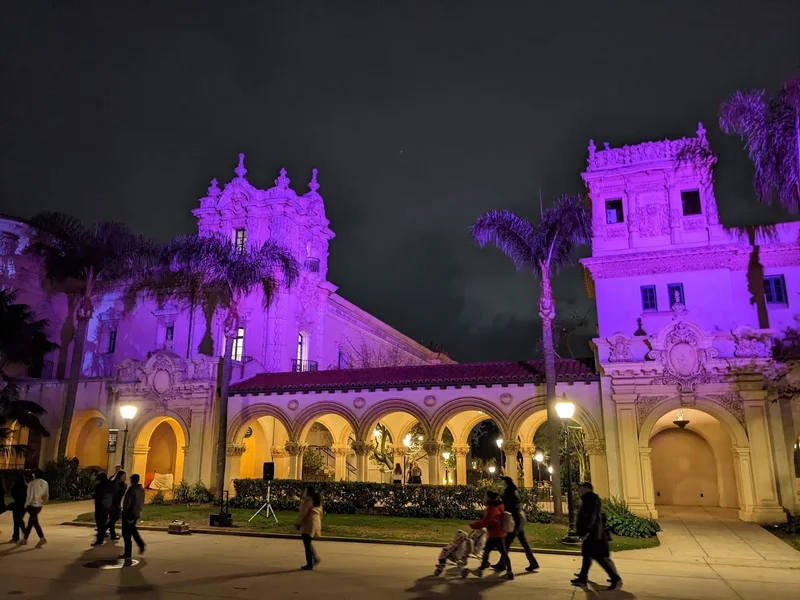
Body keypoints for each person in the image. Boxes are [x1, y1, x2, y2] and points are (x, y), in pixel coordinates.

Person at [571, 482, 621, 590]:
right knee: (587, 556)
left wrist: (586, 532)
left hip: (593, 534)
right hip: (593, 533)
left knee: (598, 557)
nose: (579, 490)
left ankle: (615, 578)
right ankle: (582, 578)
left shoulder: (590, 501)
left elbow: (591, 518)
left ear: (586, 489)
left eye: (581, 488)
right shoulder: (589, 500)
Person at [492, 476, 539, 573]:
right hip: (520, 518)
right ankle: (533, 563)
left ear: (506, 483)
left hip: (515, 520)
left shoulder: (509, 492)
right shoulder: (514, 490)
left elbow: (506, 505)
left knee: (507, 542)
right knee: (523, 542)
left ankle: (502, 564)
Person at [470, 491, 513, 580]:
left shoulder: (491, 508)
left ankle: (509, 572)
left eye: (486, 496)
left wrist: (474, 525)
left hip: (495, 534)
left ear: (489, 498)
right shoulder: (499, 505)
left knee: (497, 552)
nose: (485, 498)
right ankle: (481, 569)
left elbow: (486, 521)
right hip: (499, 532)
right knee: (491, 552)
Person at [18, 469, 48, 547]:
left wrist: (26, 505)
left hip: (32, 505)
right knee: (32, 521)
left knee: (33, 521)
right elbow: (46, 495)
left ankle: (41, 538)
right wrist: (43, 502)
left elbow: (29, 496)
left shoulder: (32, 483)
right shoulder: (45, 483)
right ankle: (25, 538)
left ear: (35, 475)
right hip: (39, 505)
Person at [119, 473, 145, 559]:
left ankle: (128, 552)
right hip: (136, 512)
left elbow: (127, 502)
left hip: (129, 513)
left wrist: (124, 511)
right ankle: (140, 544)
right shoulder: (141, 489)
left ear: (132, 480)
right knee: (132, 529)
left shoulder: (131, 489)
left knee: (126, 533)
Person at [296, 485, 322, 570]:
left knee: (306, 544)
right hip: (316, 521)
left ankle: (310, 563)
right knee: (308, 542)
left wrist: (299, 523)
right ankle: (314, 558)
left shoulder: (307, 500)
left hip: (308, 523)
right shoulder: (317, 501)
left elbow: (304, 512)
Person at [91, 473, 115, 546]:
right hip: (108, 506)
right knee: (103, 521)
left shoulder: (100, 486)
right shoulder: (111, 485)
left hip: (100, 506)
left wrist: (93, 495)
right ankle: (102, 535)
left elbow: (97, 496)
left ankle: (100, 539)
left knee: (99, 523)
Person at [8, 471, 29, 543]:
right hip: (24, 506)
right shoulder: (26, 487)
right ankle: (23, 535)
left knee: (17, 521)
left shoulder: (15, 488)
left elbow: (13, 494)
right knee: (19, 520)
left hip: (17, 505)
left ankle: (17, 536)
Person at [107, 470, 127, 540]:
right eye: (123, 476)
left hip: (117, 503)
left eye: (125, 476)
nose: (124, 477)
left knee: (116, 517)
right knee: (112, 519)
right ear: (119, 476)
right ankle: (113, 535)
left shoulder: (124, 485)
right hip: (112, 503)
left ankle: (103, 530)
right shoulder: (114, 484)